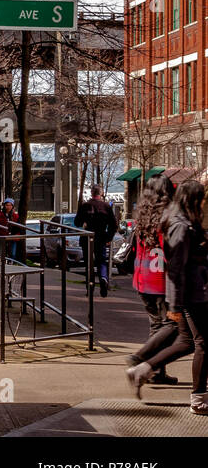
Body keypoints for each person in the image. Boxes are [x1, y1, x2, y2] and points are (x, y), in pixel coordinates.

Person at [128, 180, 208, 413]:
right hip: (185, 293)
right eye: (201, 197)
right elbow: (176, 268)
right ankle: (198, 398)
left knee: (185, 341)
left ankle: (143, 368)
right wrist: (175, 303)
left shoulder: (170, 218)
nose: (204, 201)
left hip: (161, 285)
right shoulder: (179, 224)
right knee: (197, 341)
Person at [128, 176, 179, 386]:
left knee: (156, 326)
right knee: (170, 326)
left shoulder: (142, 214)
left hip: (143, 279)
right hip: (161, 280)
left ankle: (154, 369)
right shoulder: (168, 218)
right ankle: (149, 365)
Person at [77, 184, 119, 296]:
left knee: (88, 263)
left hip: (87, 237)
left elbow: (77, 222)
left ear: (91, 193)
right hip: (101, 237)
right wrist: (108, 237)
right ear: (101, 194)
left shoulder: (85, 206)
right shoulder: (106, 206)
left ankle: (90, 287)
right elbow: (114, 225)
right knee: (102, 261)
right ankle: (103, 279)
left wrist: (84, 223)